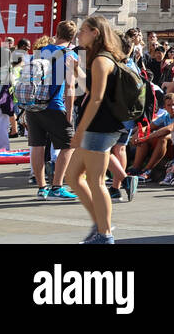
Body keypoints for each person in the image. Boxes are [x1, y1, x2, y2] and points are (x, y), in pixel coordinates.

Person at [67, 16, 129, 244]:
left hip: (99, 127)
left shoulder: (101, 60)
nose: (79, 33)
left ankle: (104, 234)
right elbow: (91, 90)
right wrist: (77, 72)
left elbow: (96, 99)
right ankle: (101, 225)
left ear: (95, 32)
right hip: (97, 126)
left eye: (83, 30)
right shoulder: (98, 59)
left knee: (96, 181)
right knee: (73, 177)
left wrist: (80, 131)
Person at [24, 20, 79, 200]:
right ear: (73, 37)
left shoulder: (40, 51)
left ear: (57, 32)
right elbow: (71, 88)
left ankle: (42, 188)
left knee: (37, 145)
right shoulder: (70, 54)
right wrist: (69, 115)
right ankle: (57, 186)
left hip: (33, 105)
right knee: (69, 144)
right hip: (54, 105)